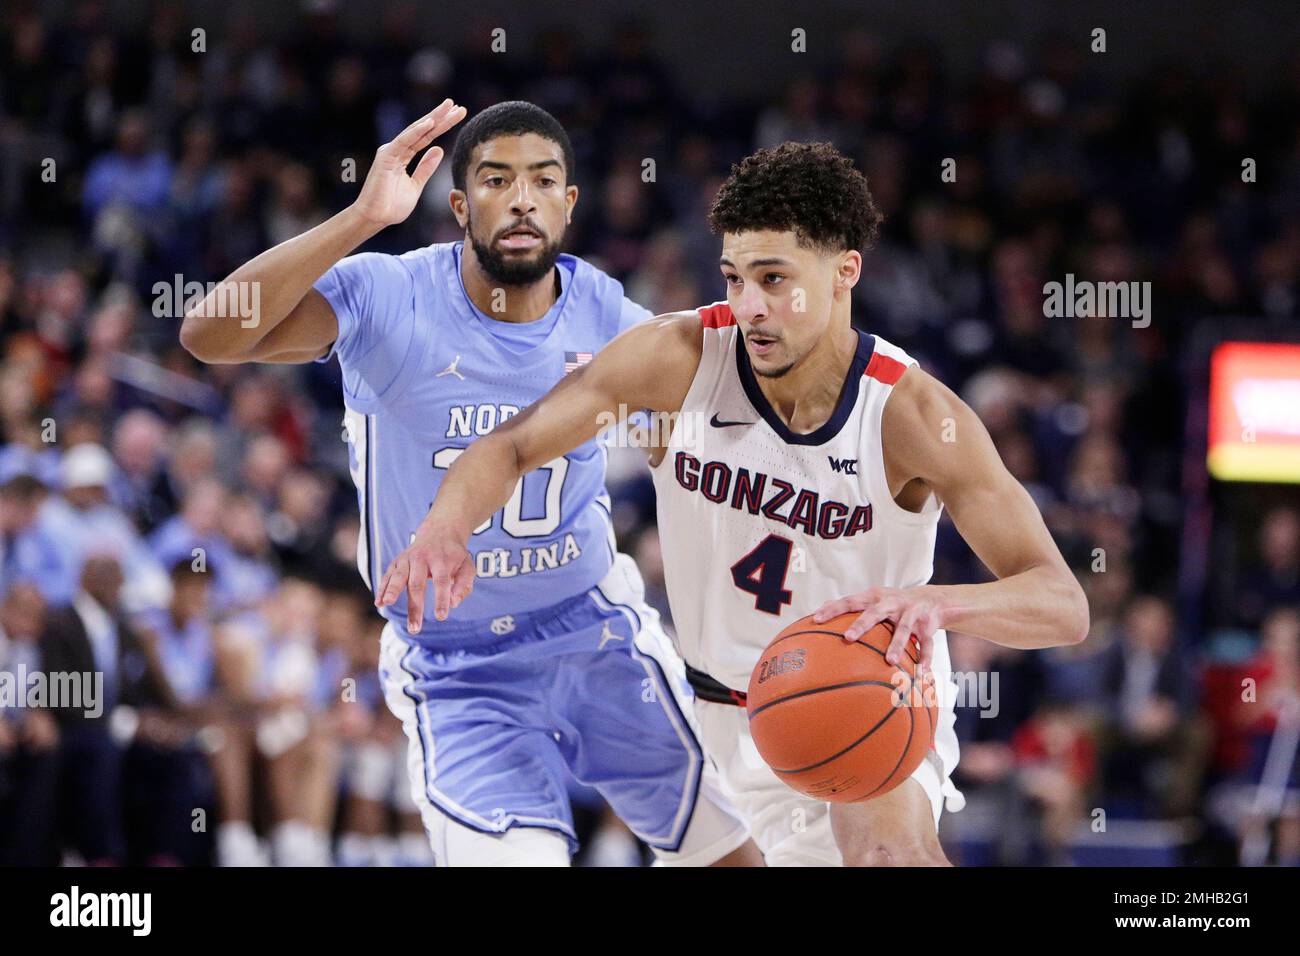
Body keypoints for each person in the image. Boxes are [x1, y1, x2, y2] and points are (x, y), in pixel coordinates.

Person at [395, 141, 1091, 866]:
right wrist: (444, 527)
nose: (750, 306)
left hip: (863, 692)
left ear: (844, 270)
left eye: (774, 278)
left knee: (892, 856)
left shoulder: (912, 415)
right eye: (734, 278)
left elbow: (1061, 604)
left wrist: (939, 606)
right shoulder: (676, 360)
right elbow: (510, 445)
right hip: (713, 714)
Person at [181, 98, 756, 867]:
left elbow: (720, 435)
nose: (523, 198)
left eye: (544, 181)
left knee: (730, 854)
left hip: (595, 629)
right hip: (458, 666)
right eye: (496, 179)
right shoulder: (387, 294)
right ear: (458, 204)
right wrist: (359, 219)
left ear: (569, 203)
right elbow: (210, 335)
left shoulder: (611, 314)